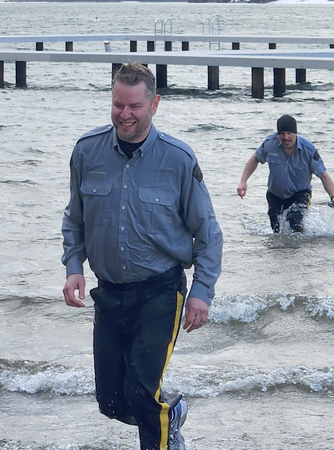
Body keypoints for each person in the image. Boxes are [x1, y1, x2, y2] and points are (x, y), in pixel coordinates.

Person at [61, 62, 223, 450]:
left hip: (160, 292)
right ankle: (174, 411)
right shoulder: (87, 151)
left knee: (145, 396)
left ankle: (162, 425)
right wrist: (73, 267)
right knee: (113, 402)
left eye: (134, 106)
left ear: (155, 104)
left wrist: (202, 292)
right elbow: (74, 217)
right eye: (118, 104)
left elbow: (209, 234)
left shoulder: (178, 160)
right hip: (110, 294)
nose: (125, 114)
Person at [237, 115, 334, 233]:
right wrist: (243, 181)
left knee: (294, 223)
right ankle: (280, 251)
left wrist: (333, 197)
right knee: (276, 229)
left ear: (295, 133)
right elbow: (255, 158)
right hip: (274, 194)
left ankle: (298, 249)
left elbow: (323, 175)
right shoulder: (269, 144)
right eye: (282, 133)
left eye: (289, 133)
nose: (286, 137)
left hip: (300, 194)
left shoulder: (308, 150)